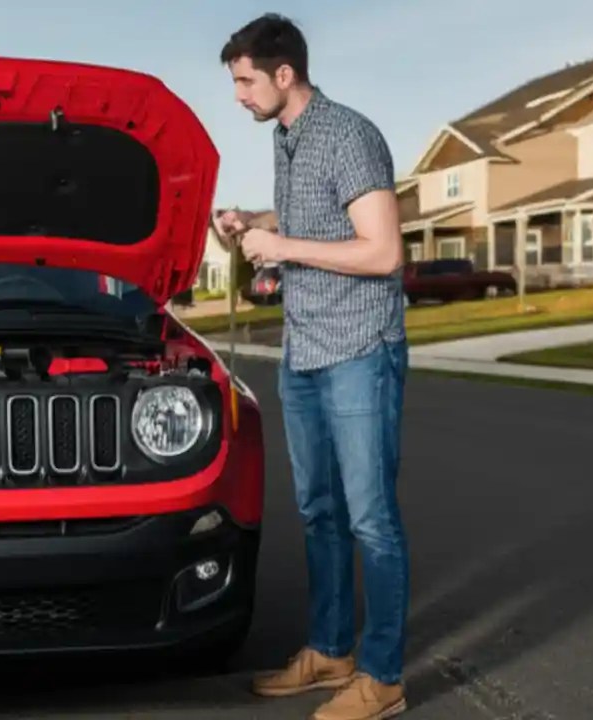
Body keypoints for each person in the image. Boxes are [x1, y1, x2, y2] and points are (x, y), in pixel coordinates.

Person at [216, 13, 411, 720]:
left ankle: (384, 676)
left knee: (371, 519)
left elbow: (384, 252)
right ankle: (331, 650)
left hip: (360, 351)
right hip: (305, 352)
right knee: (319, 512)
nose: (238, 94)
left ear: (284, 74)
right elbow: (318, 224)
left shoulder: (348, 135)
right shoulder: (288, 140)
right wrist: (253, 225)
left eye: (244, 80)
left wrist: (285, 246)